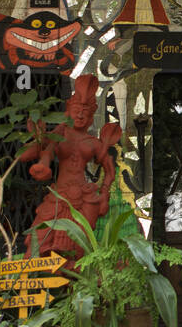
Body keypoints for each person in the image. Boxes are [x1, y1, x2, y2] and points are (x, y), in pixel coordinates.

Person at [22, 75, 123, 258]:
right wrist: (39, 138)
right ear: (68, 110)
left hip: (86, 198)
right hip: (59, 196)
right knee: (38, 238)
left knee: (80, 246)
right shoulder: (58, 135)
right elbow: (24, 156)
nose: (80, 115)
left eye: (86, 112)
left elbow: (109, 169)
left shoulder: (93, 142)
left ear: (92, 116)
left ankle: (75, 283)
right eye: (76, 109)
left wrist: (105, 194)